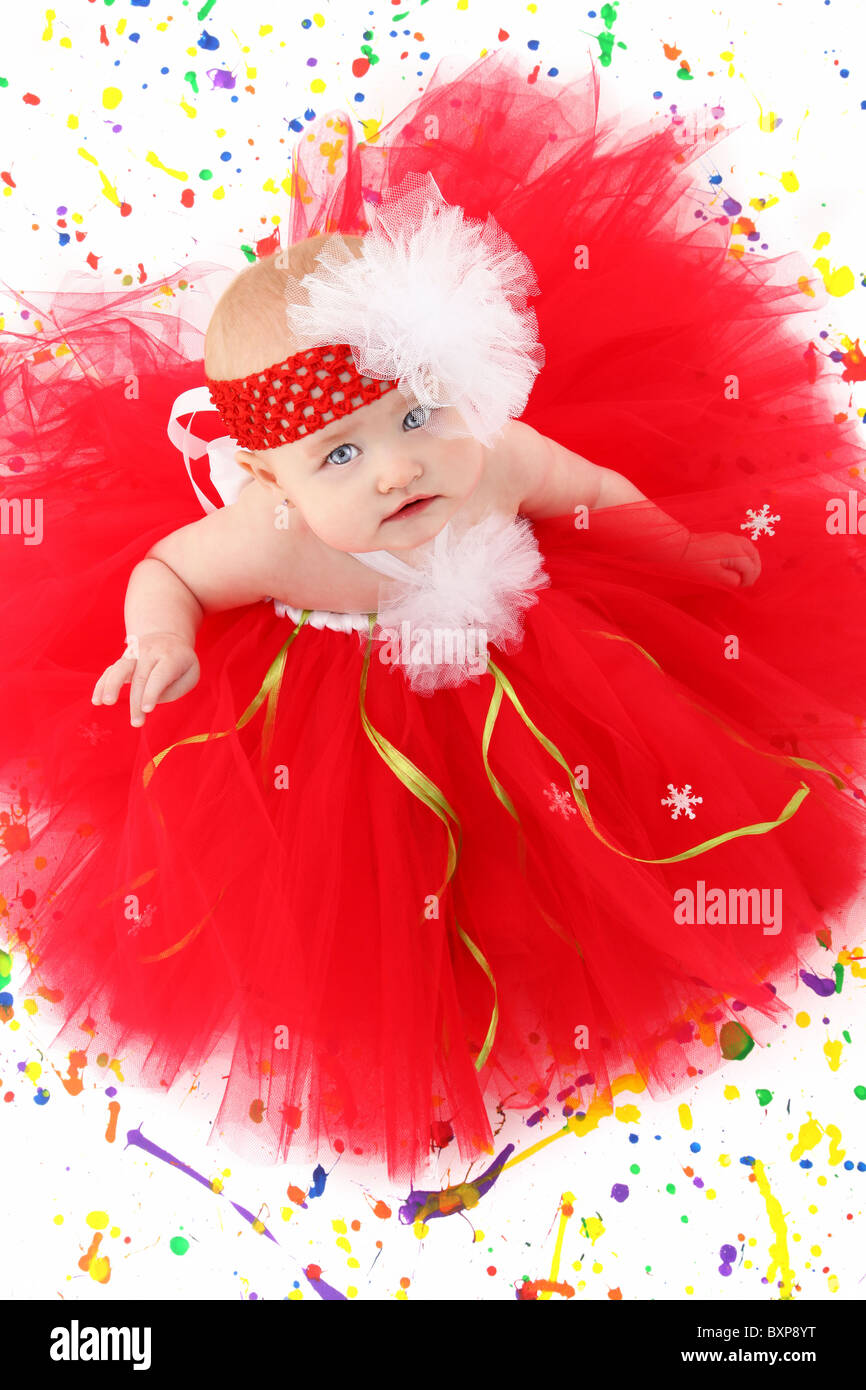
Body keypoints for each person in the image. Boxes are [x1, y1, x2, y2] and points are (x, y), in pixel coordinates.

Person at [1, 49, 864, 1182]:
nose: (399, 468)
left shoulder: (492, 459)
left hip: (536, 648)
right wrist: (156, 636)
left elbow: (593, 494)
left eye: (416, 416)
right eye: (342, 454)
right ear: (266, 479)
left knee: (600, 801)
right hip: (343, 717)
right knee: (384, 901)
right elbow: (169, 567)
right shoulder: (274, 540)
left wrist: (683, 545)